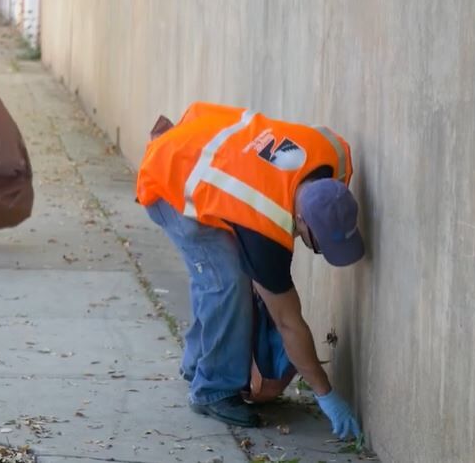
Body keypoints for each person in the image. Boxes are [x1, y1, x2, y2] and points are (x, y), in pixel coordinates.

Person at [136, 102, 364, 438]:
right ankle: (212, 390)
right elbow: (289, 321)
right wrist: (325, 394)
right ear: (299, 219)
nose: (317, 250)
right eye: (316, 242)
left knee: (221, 274)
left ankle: (196, 362)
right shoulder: (266, 227)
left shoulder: (334, 156)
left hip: (199, 144)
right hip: (170, 179)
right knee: (225, 281)